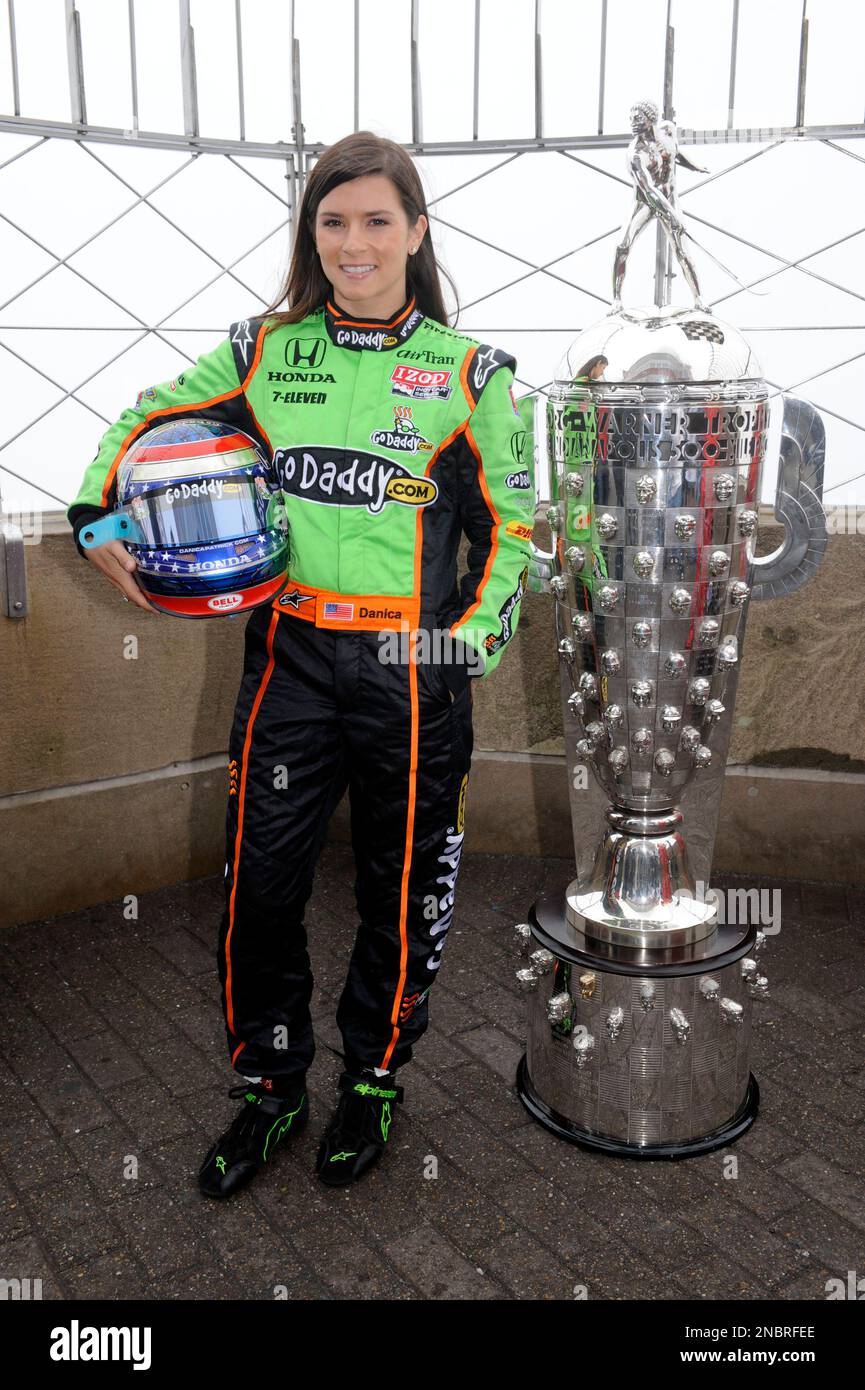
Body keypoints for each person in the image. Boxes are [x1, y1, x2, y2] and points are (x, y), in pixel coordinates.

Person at [66, 130, 534, 1195]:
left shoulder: (473, 376)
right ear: (309, 234)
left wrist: (468, 636)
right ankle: (271, 1088)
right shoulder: (263, 347)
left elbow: (517, 532)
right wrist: (97, 516)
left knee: (401, 886)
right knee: (258, 884)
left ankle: (372, 1079)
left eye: (377, 220)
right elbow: (147, 415)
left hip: (411, 670)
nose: (353, 243)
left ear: (416, 232)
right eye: (333, 222)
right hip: (291, 656)